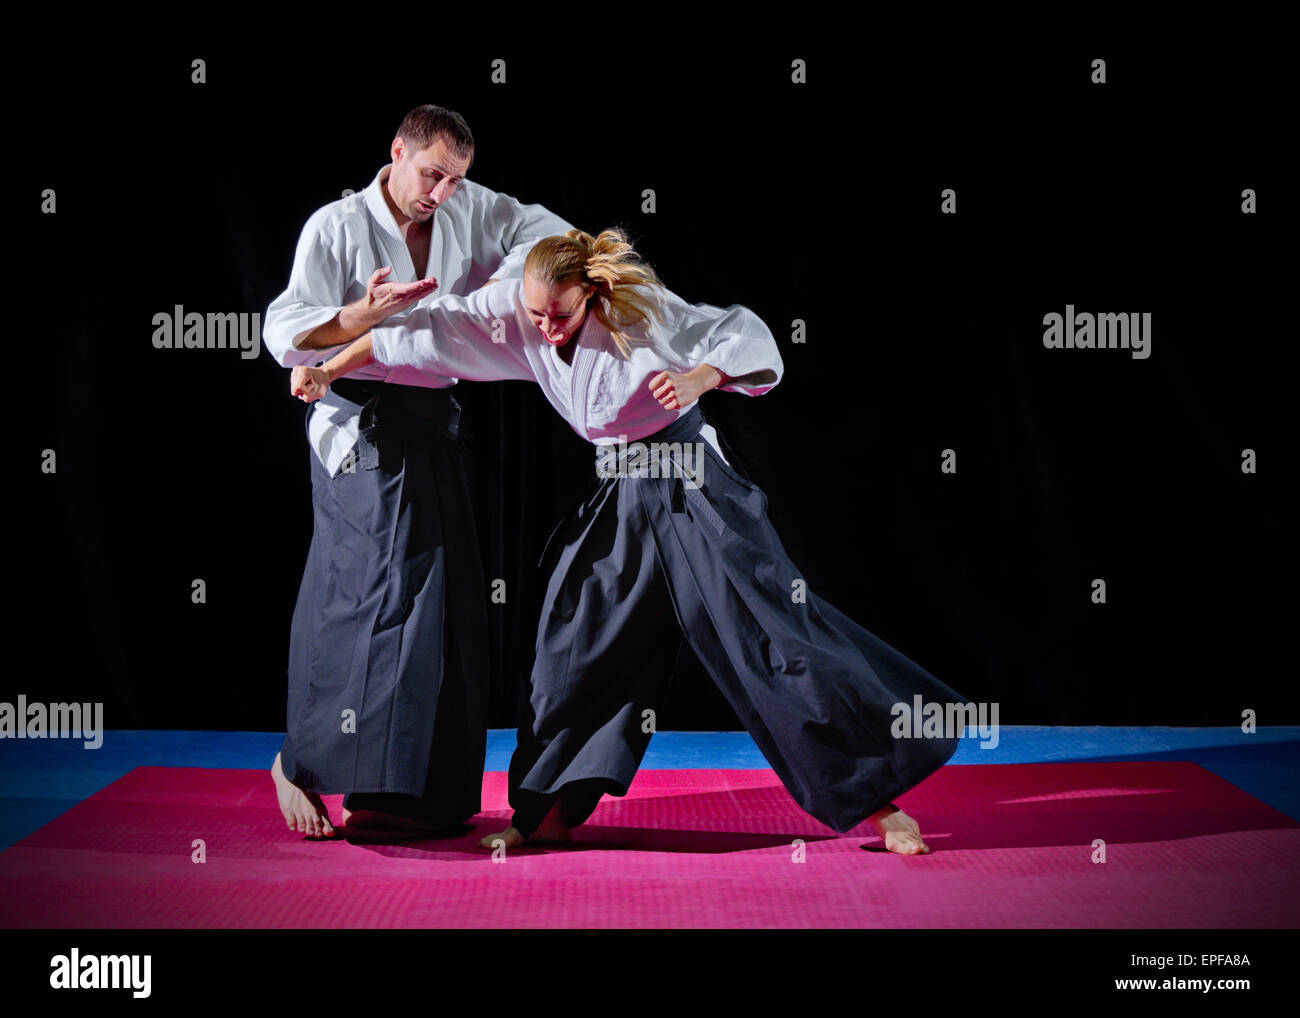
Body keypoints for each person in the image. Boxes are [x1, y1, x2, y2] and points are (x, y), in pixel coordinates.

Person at [290, 229, 969, 854]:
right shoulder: (517, 311)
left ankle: (881, 802)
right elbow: (417, 335)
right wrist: (329, 367)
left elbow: (745, 335)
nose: (546, 328)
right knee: (572, 639)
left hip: (691, 479)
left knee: (769, 635)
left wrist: (701, 377)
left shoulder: (641, 315)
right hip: (620, 488)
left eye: (561, 314)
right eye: (536, 315)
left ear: (590, 293)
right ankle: (541, 813)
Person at [264, 105, 573, 838]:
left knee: (444, 601)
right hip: (359, 421)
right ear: (396, 152)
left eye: (455, 179)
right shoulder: (335, 227)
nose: (440, 191)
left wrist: (492, 297)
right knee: (368, 592)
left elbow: (557, 240)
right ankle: (301, 763)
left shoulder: (474, 209)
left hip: (433, 423)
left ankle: (414, 795)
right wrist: (356, 316)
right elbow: (284, 331)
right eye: (430, 173)